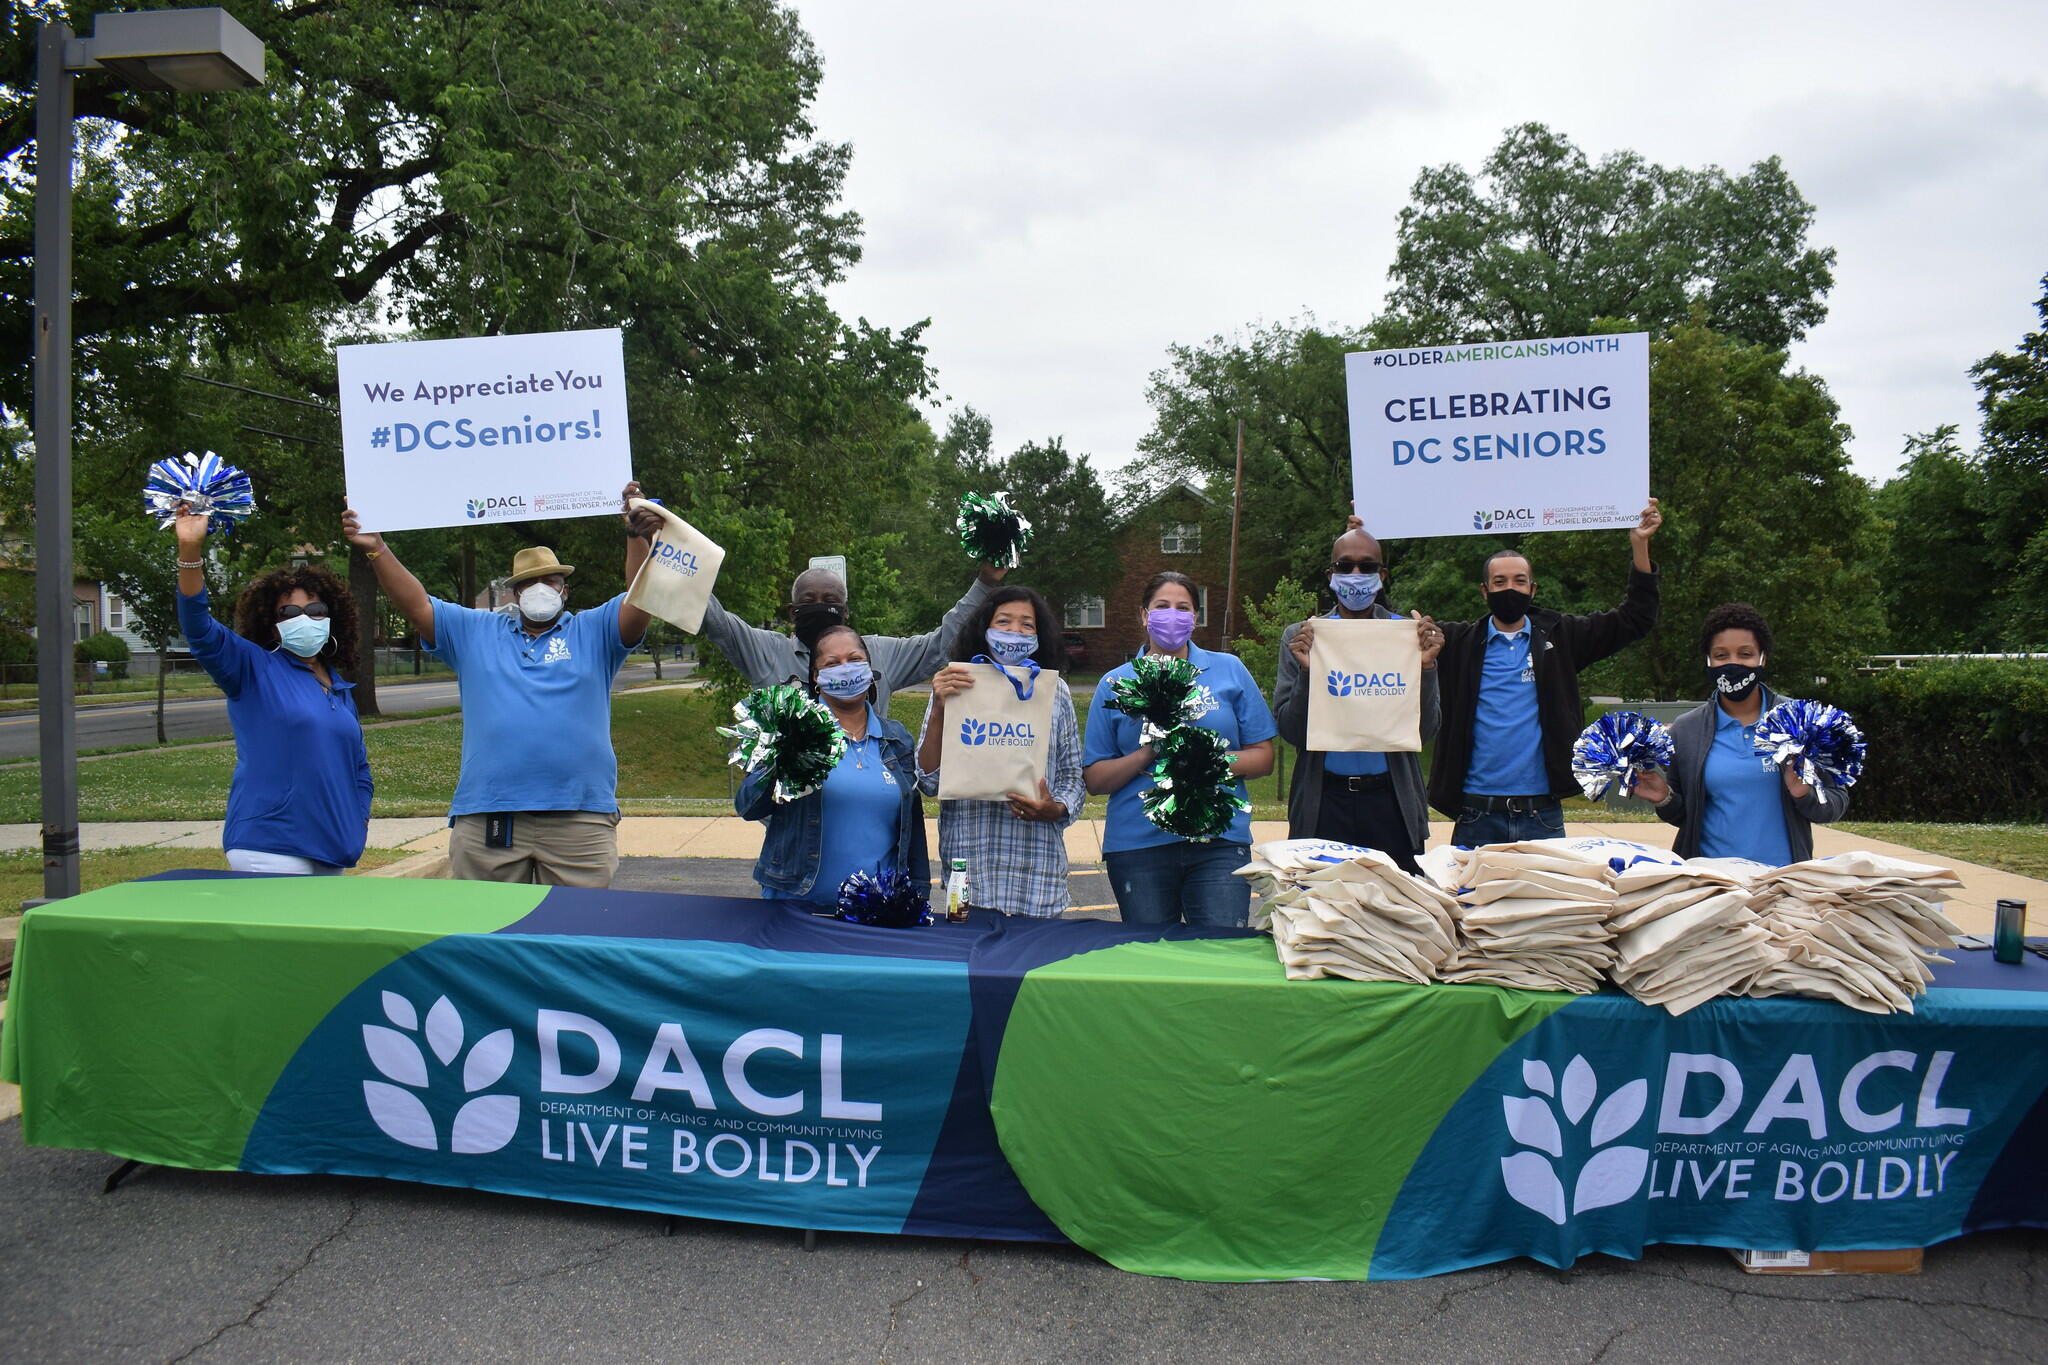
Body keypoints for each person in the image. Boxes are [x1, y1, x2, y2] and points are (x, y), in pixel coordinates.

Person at [340, 482, 654, 886]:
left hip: (580, 817)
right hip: (489, 815)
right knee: (488, 940)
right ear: (514, 592)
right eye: (527, 583)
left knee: (577, 938)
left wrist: (636, 535)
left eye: (551, 581)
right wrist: (377, 550)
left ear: (565, 589)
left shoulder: (593, 631)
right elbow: (416, 604)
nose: (540, 590)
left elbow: (641, 597)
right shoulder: (476, 631)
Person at [1428, 500, 1664, 845]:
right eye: (1499, 581)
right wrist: (1365, 537)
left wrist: (1640, 544)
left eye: (1519, 580)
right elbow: (1384, 636)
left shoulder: (1562, 636)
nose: (1510, 588)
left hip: (1543, 814)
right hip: (1476, 813)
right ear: (1484, 591)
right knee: (1470, 900)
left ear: (1533, 589)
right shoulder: (1456, 643)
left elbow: (1635, 619)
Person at [173, 508, 373, 873]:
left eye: (314, 609)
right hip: (270, 846)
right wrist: (190, 550)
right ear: (272, 622)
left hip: (333, 849)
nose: (304, 619)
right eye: (289, 612)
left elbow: (359, 770)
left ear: (332, 616)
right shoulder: (251, 668)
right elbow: (199, 627)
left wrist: (357, 823)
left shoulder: (339, 688)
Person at [1083, 571, 1277, 925]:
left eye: (1182, 607)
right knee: (1153, 965)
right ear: (1144, 615)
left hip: (1218, 841)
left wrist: (1204, 761)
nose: (1172, 615)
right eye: (1162, 606)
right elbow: (1095, 780)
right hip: (1138, 845)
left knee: (1221, 957)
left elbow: (1264, 756)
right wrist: (1150, 751)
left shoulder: (1229, 669)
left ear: (1195, 618)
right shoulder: (1114, 683)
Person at [1273, 524, 1443, 873]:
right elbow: (1291, 731)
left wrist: (1426, 668)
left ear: (1382, 575)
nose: (1355, 575)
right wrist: (1308, 672)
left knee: (1396, 917)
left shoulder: (1408, 635)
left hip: (1391, 802)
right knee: (1322, 915)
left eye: (1366, 567)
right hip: (1324, 802)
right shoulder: (1303, 636)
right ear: (1330, 574)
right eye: (1344, 566)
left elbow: (1425, 730)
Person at [913, 586, 1084, 916]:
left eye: (1027, 625)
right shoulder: (956, 683)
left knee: (1036, 968)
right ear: (984, 628)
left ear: (1040, 635)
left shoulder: (1055, 692)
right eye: (1003, 621)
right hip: (968, 880)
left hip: (1038, 881)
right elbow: (929, 782)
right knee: (967, 966)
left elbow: (1073, 777)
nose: (1015, 632)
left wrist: (1054, 808)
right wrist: (938, 710)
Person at [1634, 603, 1848, 863]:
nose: (1733, 663)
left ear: (1762, 658)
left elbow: (1836, 802)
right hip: (1711, 882)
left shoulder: (1800, 722)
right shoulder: (1686, 730)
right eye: (1721, 655)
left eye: (1745, 654)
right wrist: (1664, 798)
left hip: (1782, 881)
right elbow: (1685, 817)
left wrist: (1804, 794)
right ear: (1709, 661)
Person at [737, 623, 929, 908]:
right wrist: (782, 757)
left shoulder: (897, 738)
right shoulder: (793, 728)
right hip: (797, 907)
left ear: (870, 670)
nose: (846, 669)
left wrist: (920, 891)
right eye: (832, 663)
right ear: (816, 677)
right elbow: (748, 806)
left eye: (854, 660)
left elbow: (912, 824)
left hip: (879, 912)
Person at [699, 548, 1008, 697]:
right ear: (793, 612)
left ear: (845, 612)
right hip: (795, 817)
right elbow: (713, 617)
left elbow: (942, 644)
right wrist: (657, 543)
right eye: (808, 602)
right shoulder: (765, 651)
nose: (820, 607)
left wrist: (985, 582)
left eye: (830, 601)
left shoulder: (881, 654)